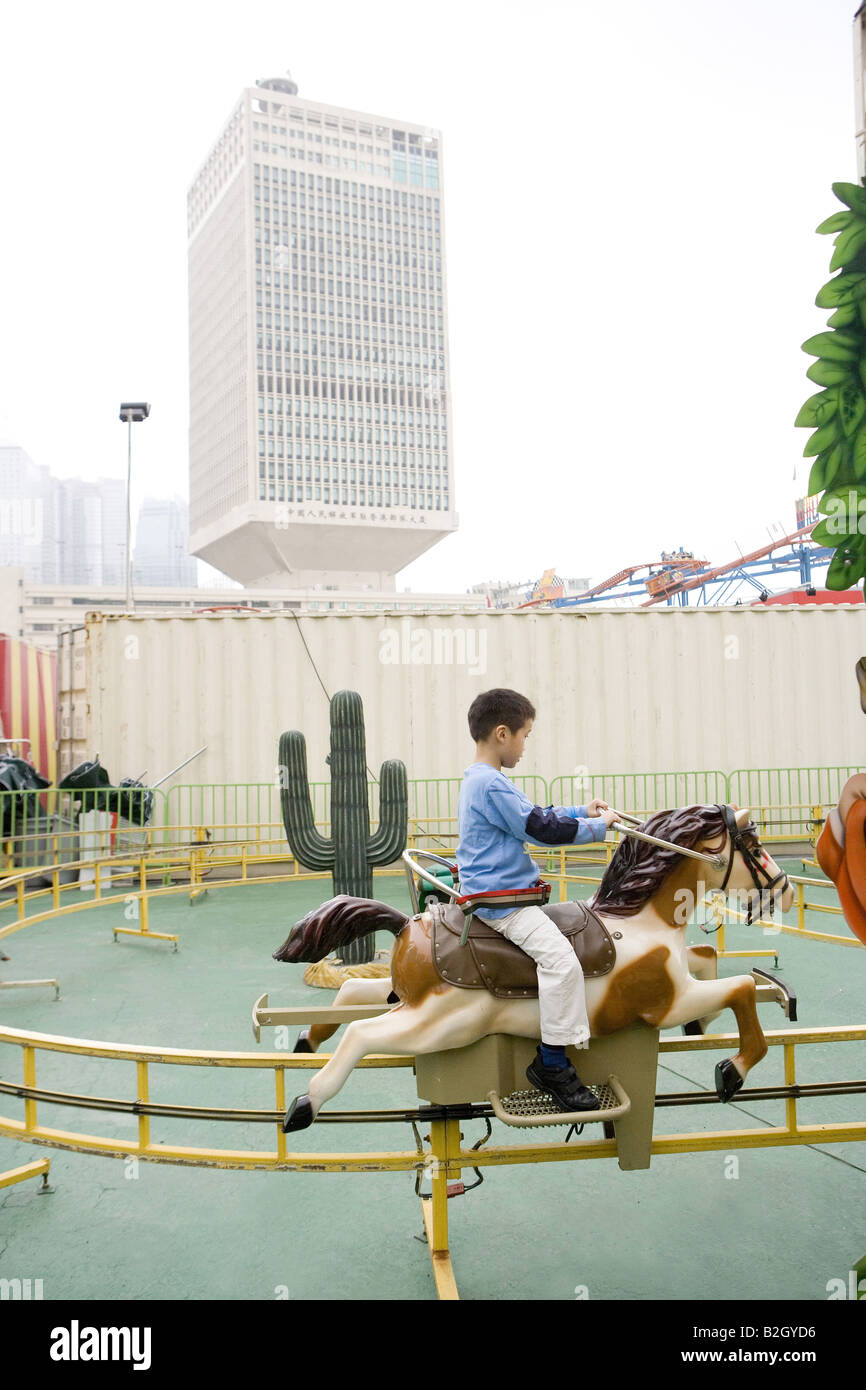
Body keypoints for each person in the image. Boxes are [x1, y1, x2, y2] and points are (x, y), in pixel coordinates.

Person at [456, 688, 618, 1112]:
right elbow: (540, 829)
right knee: (562, 964)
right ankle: (552, 1064)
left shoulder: (482, 778)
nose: (526, 745)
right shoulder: (491, 783)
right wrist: (598, 828)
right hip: (503, 907)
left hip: (502, 896)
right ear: (503, 733)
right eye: (526, 735)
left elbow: (536, 813)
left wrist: (583, 811)